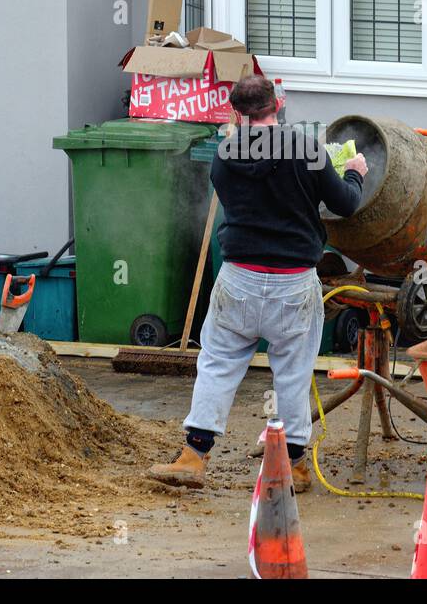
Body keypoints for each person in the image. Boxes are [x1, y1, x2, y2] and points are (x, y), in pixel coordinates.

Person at [147, 76, 368, 492]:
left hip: (239, 280)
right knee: (293, 374)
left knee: (216, 364)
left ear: (235, 113)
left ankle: (193, 456)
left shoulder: (225, 154)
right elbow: (346, 204)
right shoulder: (306, 148)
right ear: (277, 105)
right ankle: (295, 467)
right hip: (293, 284)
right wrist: (354, 174)